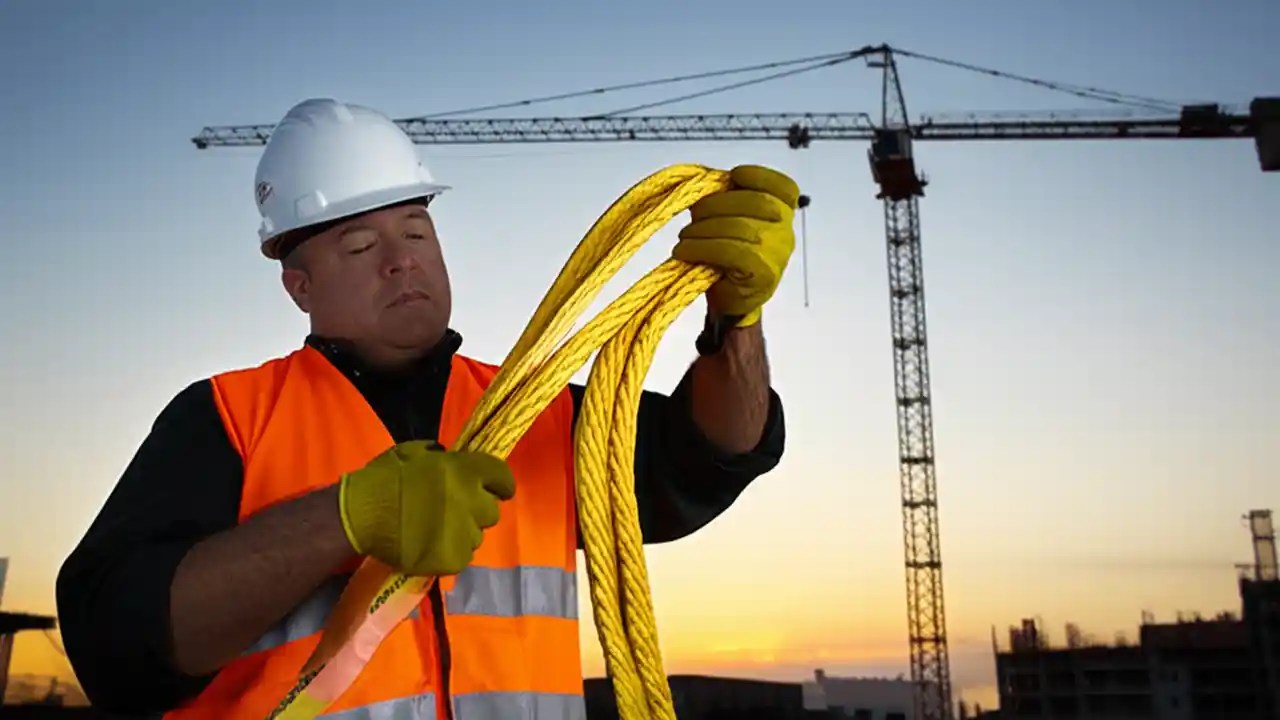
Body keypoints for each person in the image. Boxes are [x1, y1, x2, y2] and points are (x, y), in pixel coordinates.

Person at [56, 98, 799, 719]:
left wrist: (737, 321)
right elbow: (116, 646)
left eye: (415, 231)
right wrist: (342, 520)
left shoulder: (532, 409)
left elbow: (710, 458)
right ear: (299, 287)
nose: (400, 258)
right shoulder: (228, 417)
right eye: (357, 246)